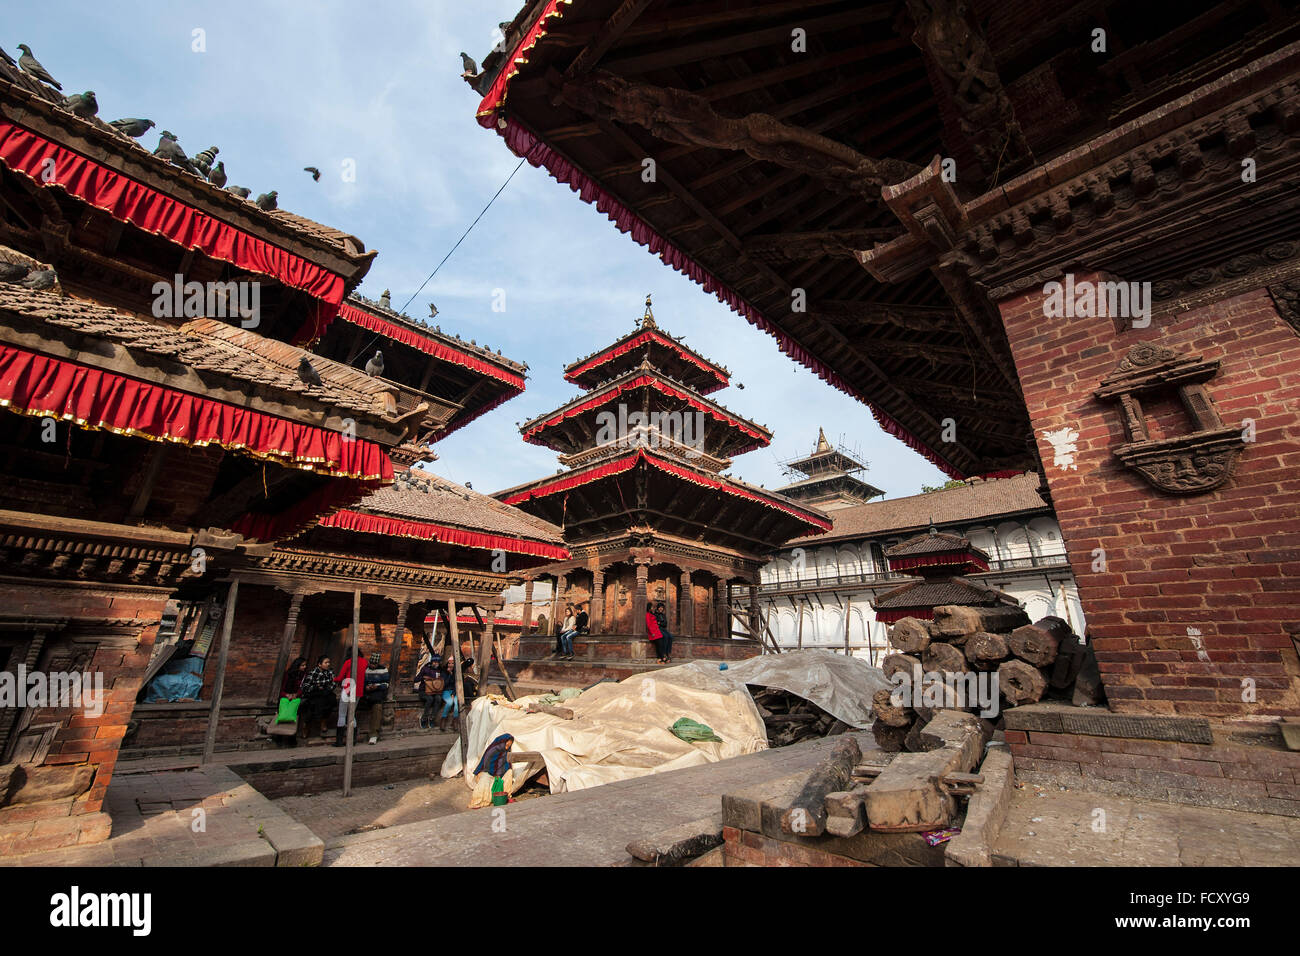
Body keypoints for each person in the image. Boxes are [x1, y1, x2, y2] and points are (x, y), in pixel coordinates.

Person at [334, 648, 369, 747]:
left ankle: (339, 741)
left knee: (342, 714)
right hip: (358, 689)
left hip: (348, 687)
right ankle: (353, 740)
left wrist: (333, 679)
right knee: (351, 714)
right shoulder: (364, 662)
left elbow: (340, 677)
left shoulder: (349, 662)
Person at [298, 656, 335, 740]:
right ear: (319, 664)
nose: (328, 664)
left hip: (326, 693)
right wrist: (316, 687)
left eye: (329, 662)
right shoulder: (313, 673)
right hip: (314, 694)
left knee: (331, 701)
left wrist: (327, 688)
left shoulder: (330, 672)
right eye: (326, 663)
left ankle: (323, 721)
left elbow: (333, 683)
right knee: (312, 706)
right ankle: (306, 726)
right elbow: (306, 686)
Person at [361, 651, 389, 745]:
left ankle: (374, 734)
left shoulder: (383, 670)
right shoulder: (366, 670)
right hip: (367, 692)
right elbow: (362, 681)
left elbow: (386, 684)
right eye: (371, 663)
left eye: (374, 664)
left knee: (377, 707)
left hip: (378, 692)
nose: (372, 665)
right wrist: (366, 687)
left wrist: (377, 687)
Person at [413, 651, 443, 730]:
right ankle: (424, 718)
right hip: (424, 691)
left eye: (437, 662)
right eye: (434, 662)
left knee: (438, 699)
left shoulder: (439, 670)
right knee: (430, 699)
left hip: (435, 691)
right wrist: (421, 678)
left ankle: (432, 718)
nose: (436, 664)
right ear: (432, 662)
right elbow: (417, 679)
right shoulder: (425, 669)